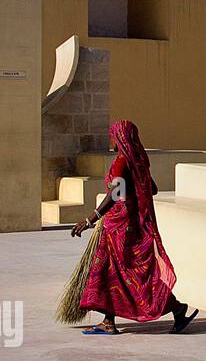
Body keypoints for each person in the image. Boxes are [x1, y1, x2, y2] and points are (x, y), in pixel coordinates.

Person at [71, 119, 197, 335]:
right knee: (117, 274)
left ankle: (176, 308)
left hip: (119, 230)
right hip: (133, 228)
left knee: (122, 275)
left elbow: (116, 193)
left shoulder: (121, 162)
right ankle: (110, 321)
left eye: (112, 136)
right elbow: (153, 189)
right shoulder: (139, 161)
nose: (111, 140)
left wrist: (91, 218)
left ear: (118, 138)